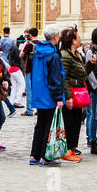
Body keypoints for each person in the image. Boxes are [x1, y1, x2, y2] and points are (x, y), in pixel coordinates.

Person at [29, 25, 65, 166]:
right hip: (49, 95)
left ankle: (34, 155)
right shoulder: (53, 55)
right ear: (55, 37)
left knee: (40, 125)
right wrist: (58, 98)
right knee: (49, 127)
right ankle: (46, 156)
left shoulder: (38, 51)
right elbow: (55, 78)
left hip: (39, 94)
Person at [57, 28, 87, 163]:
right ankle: (67, 150)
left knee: (76, 122)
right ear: (72, 40)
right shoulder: (65, 55)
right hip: (71, 93)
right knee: (69, 122)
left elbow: (82, 74)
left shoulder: (77, 54)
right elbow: (64, 78)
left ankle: (72, 148)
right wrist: (68, 96)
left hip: (78, 92)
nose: (80, 39)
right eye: (78, 37)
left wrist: (91, 65)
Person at [21, 27, 38, 115]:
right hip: (38, 69)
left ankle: (29, 110)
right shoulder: (40, 43)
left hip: (29, 69)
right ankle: (39, 109)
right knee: (38, 88)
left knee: (29, 89)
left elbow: (21, 55)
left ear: (30, 35)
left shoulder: (29, 44)